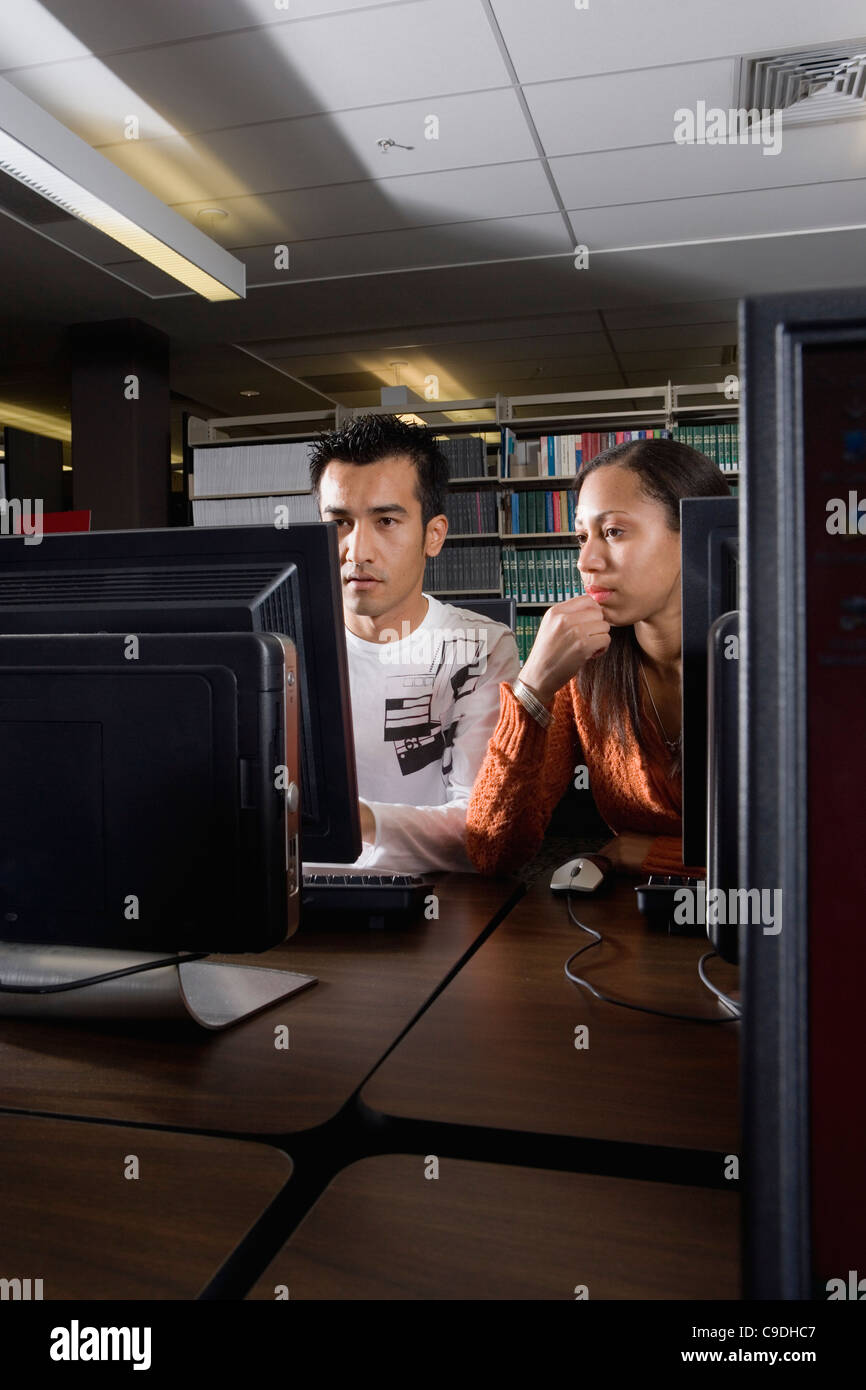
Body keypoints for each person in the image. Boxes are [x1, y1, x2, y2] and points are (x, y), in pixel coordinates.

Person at [465, 437, 731, 878]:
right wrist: (532, 688)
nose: (586, 561)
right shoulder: (586, 668)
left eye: (613, 532)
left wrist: (650, 855)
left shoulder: (771, 661)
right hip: (632, 930)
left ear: (696, 534)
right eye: (582, 536)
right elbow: (492, 850)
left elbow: (809, 855)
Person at [307, 414, 520, 874]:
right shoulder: (280, 650)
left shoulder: (479, 649)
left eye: (386, 520)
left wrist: (350, 820)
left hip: (430, 912)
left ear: (433, 535)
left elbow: (476, 831)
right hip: (288, 908)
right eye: (340, 522)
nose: (357, 550)